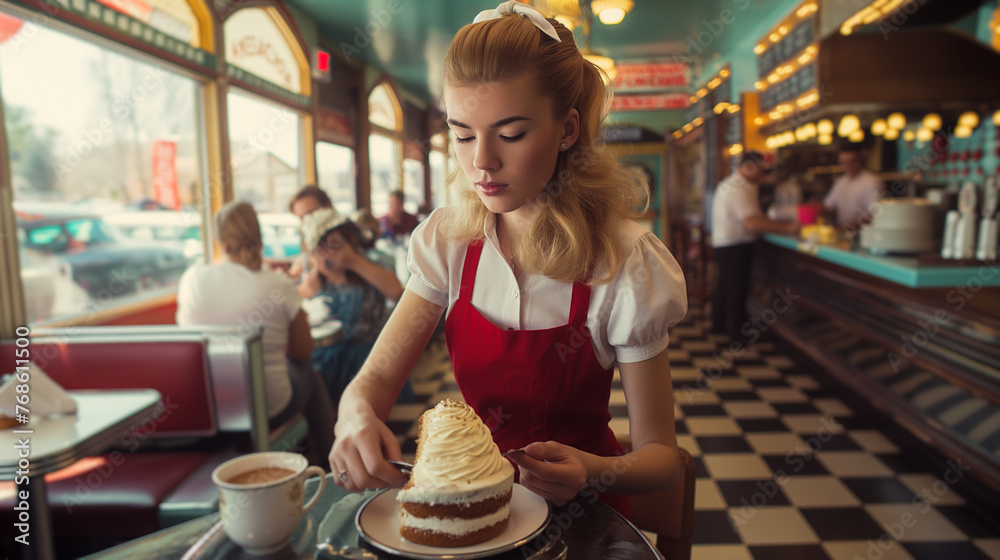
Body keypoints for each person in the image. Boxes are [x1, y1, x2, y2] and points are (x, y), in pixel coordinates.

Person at [328, 1, 688, 517]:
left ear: (566, 130)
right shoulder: (448, 242)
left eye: (511, 134)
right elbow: (373, 383)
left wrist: (591, 470)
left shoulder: (624, 262)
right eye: (462, 134)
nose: (481, 162)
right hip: (475, 502)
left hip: (586, 513)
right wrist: (355, 416)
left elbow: (662, 458)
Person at [176, 201, 335, 466]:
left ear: (222, 243)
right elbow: (302, 352)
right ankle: (333, 468)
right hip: (268, 409)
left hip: (211, 410)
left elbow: (191, 343)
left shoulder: (192, 278)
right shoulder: (277, 283)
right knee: (308, 372)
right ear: (259, 238)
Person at [300, 208, 410, 405]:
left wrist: (352, 260)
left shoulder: (372, 262)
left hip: (367, 355)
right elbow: (300, 310)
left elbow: (397, 293)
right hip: (327, 355)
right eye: (321, 246)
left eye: (335, 243)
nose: (329, 252)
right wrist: (306, 288)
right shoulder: (314, 276)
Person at [711, 151, 798, 341]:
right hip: (734, 245)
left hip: (727, 243)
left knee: (726, 287)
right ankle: (738, 336)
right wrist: (789, 228)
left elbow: (756, 218)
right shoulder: (737, 188)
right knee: (737, 290)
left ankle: (718, 326)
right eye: (760, 169)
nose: (763, 174)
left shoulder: (740, 185)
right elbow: (752, 223)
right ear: (748, 167)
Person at [286, 185, 334, 297]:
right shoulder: (304, 260)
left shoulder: (349, 248)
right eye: (302, 218)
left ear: (328, 208)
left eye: (311, 214)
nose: (307, 222)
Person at [823, 145, 882, 231]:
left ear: (860, 160)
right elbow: (829, 207)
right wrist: (818, 207)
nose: (848, 166)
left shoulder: (872, 182)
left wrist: (846, 227)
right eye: (844, 162)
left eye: (852, 162)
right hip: (843, 234)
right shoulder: (841, 181)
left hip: (863, 234)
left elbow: (874, 215)